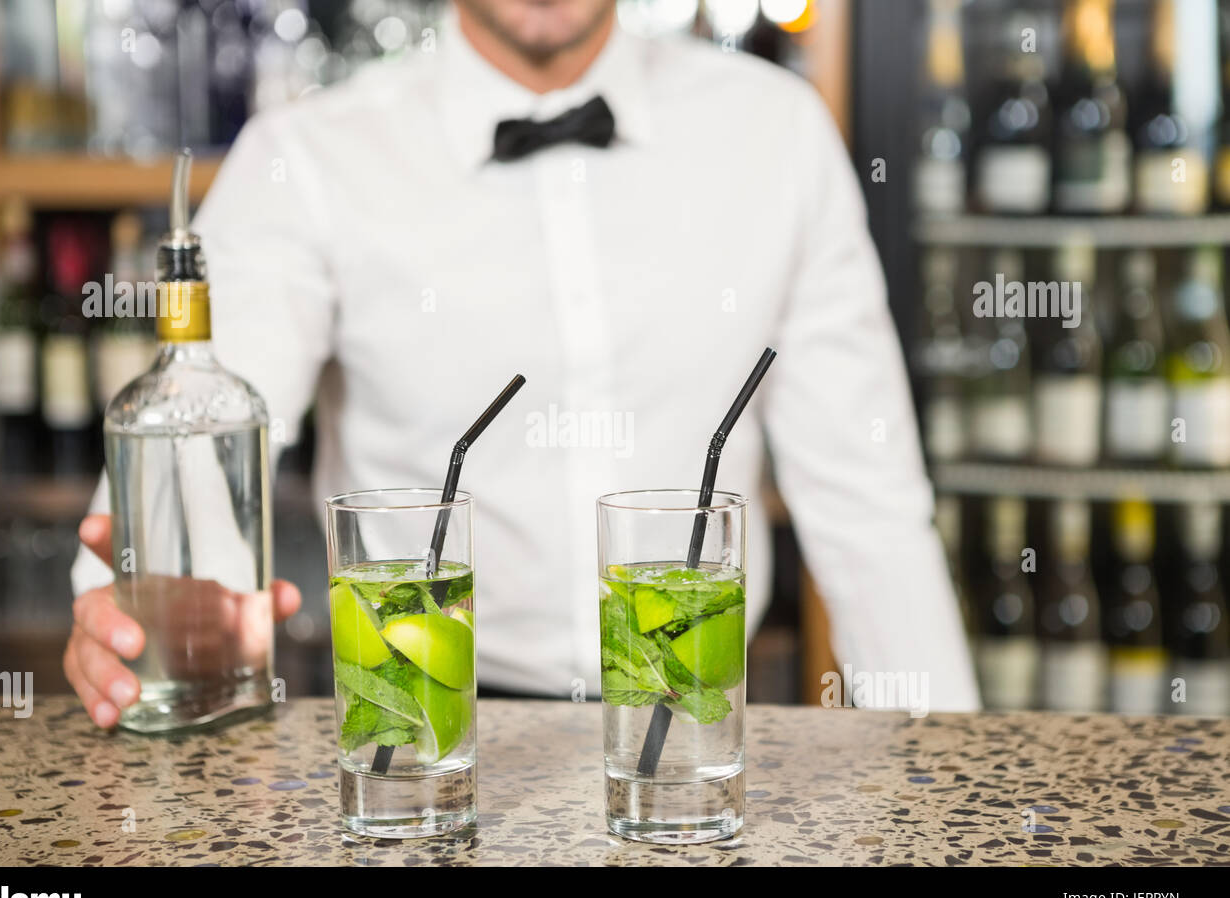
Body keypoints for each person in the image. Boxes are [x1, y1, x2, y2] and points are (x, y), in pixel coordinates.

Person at [64, 0, 980, 727]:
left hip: (702, 722)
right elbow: (199, 431)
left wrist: (957, 780)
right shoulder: (305, 158)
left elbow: (870, 506)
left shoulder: (778, 134)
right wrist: (151, 606)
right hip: (424, 732)